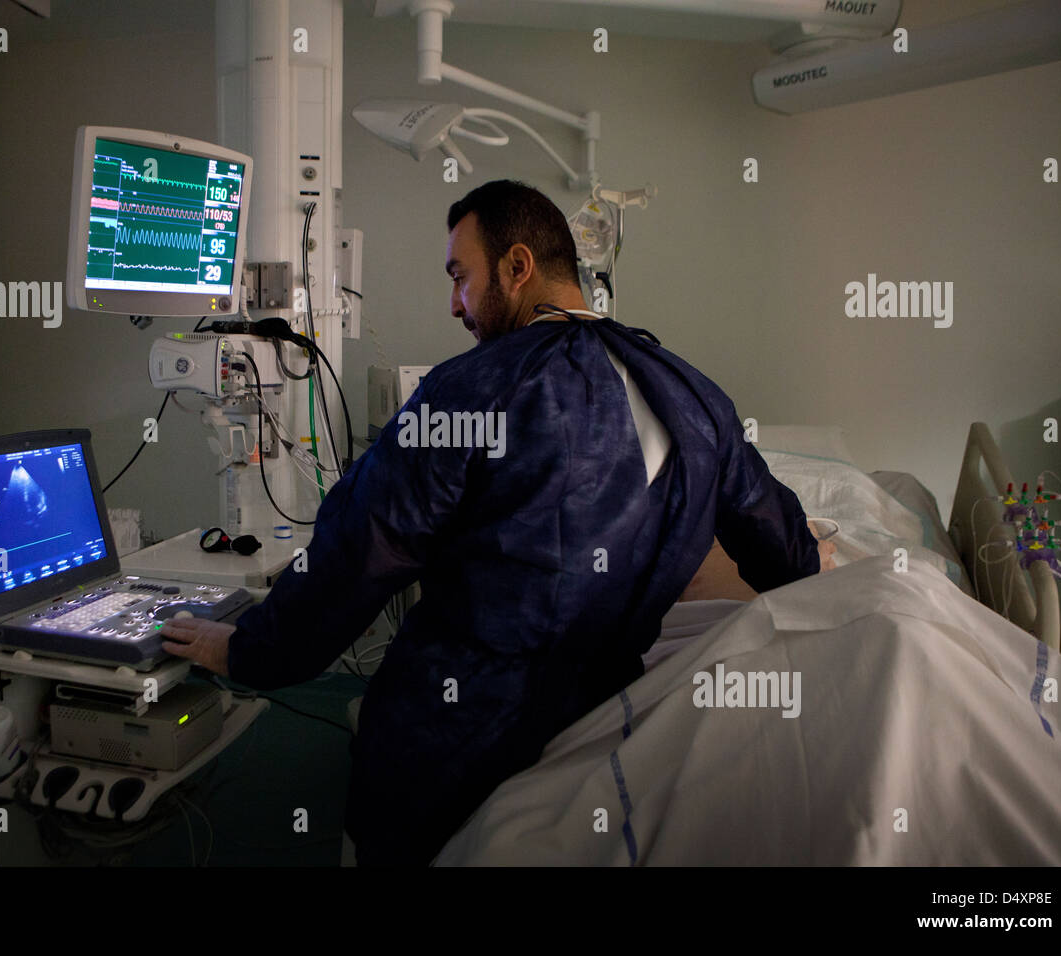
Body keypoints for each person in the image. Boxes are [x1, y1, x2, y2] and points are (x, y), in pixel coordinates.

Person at [161, 179, 826, 865]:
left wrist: (245, 650)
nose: (454, 304)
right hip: (601, 725)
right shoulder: (696, 396)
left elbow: (356, 555)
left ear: (516, 267)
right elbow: (788, 555)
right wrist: (817, 564)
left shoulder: (471, 389)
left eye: (460, 277)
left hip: (452, 744)